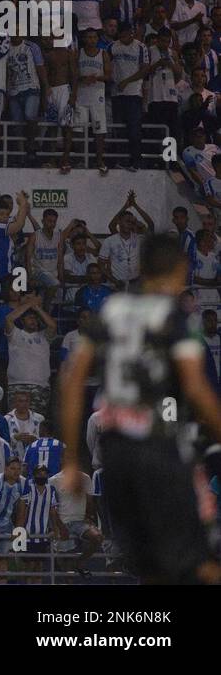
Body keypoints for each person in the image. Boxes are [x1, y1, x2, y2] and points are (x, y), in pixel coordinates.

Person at [61, 234, 221, 584]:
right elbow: (195, 388)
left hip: (116, 454)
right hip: (160, 450)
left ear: (139, 267)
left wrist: (72, 460)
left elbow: (72, 381)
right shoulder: (175, 317)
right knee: (203, 564)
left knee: (151, 567)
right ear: (181, 270)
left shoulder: (110, 311)